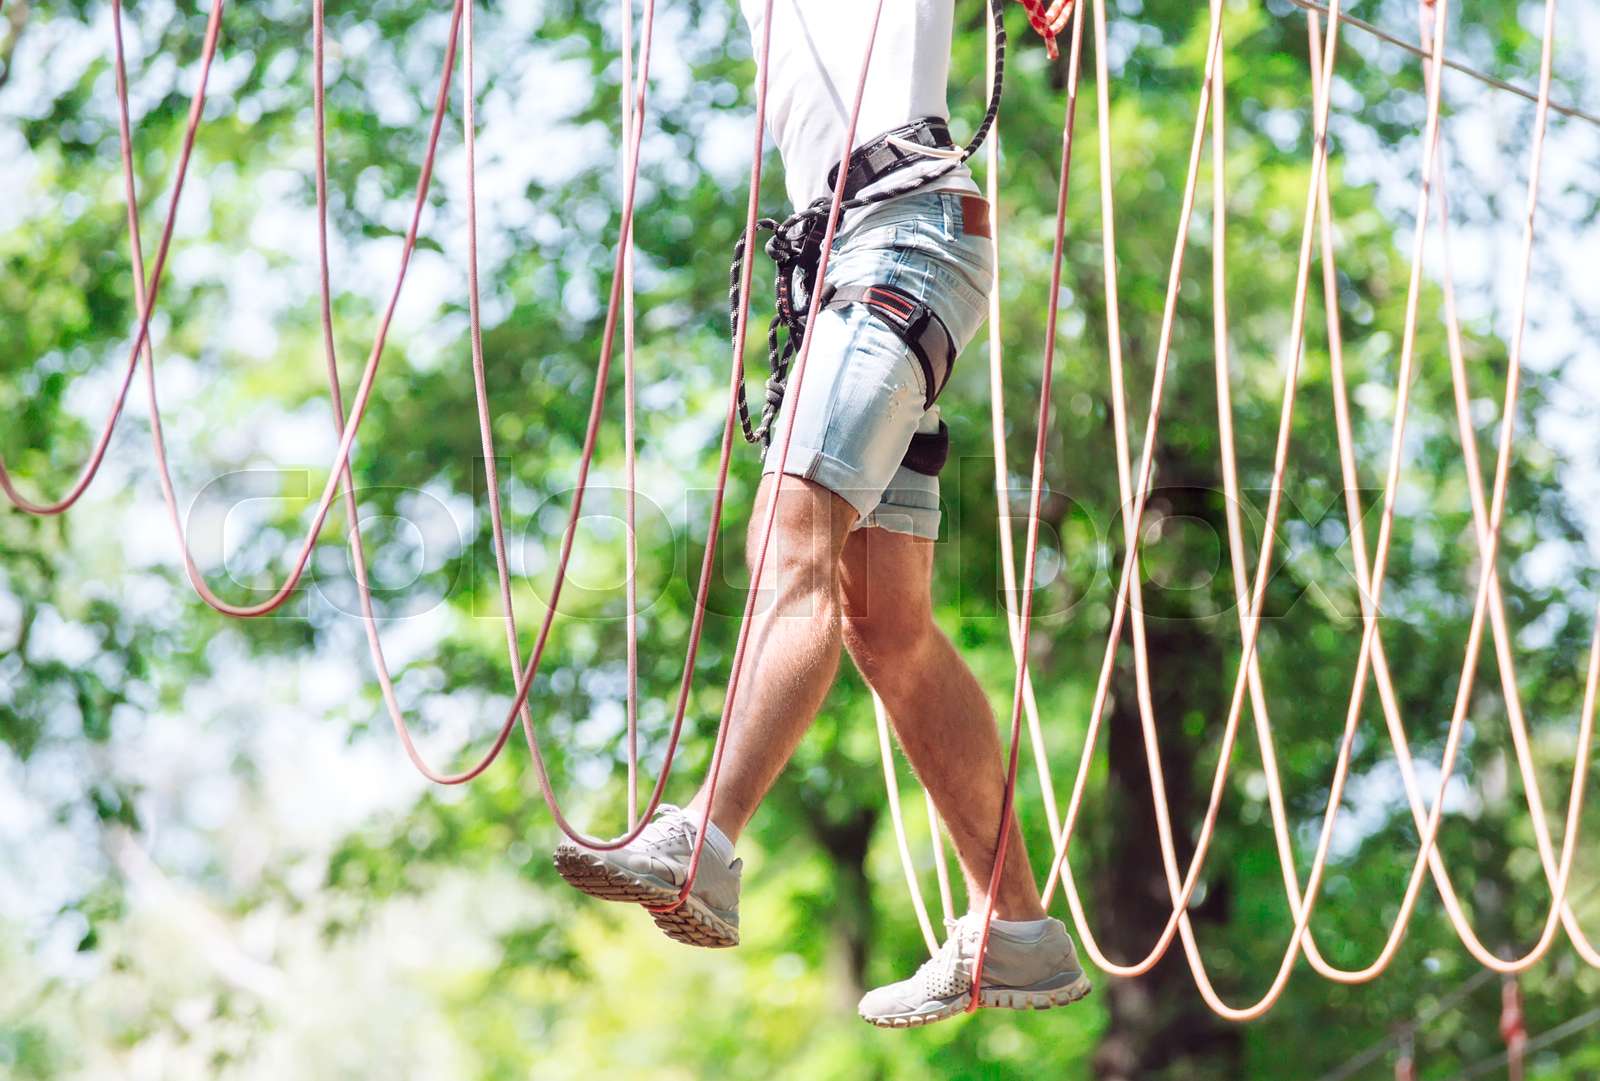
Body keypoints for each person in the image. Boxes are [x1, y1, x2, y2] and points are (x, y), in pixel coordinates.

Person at [555, 0, 1085, 1029]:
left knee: (789, 533)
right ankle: (1015, 929)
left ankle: (704, 840)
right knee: (886, 626)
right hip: (858, 257)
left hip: (903, 239)